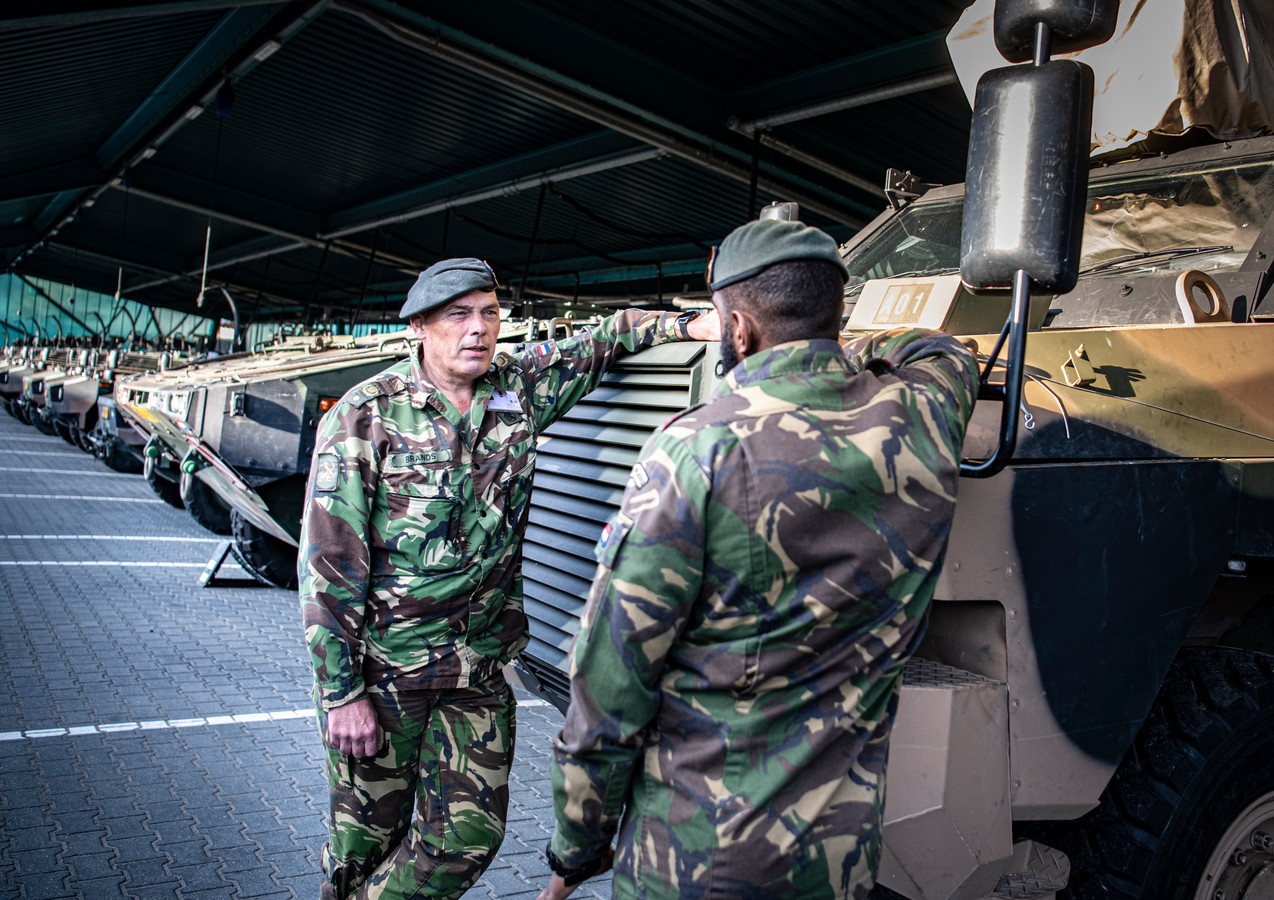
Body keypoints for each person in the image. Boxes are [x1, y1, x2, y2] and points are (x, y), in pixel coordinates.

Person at [540, 219, 980, 900]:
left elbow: (610, 683)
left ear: (738, 329)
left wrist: (577, 847)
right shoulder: (923, 413)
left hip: (697, 861)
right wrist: (844, 342)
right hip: (840, 860)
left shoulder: (696, 451)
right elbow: (942, 348)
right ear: (835, 313)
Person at [298, 257, 720, 900]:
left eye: (489, 313)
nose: (478, 329)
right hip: (386, 675)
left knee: (467, 839)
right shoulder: (363, 417)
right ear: (419, 326)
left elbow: (609, 336)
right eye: (457, 315)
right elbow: (327, 562)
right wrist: (340, 693)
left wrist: (693, 324)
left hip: (478, 673)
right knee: (365, 845)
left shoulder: (517, 388)